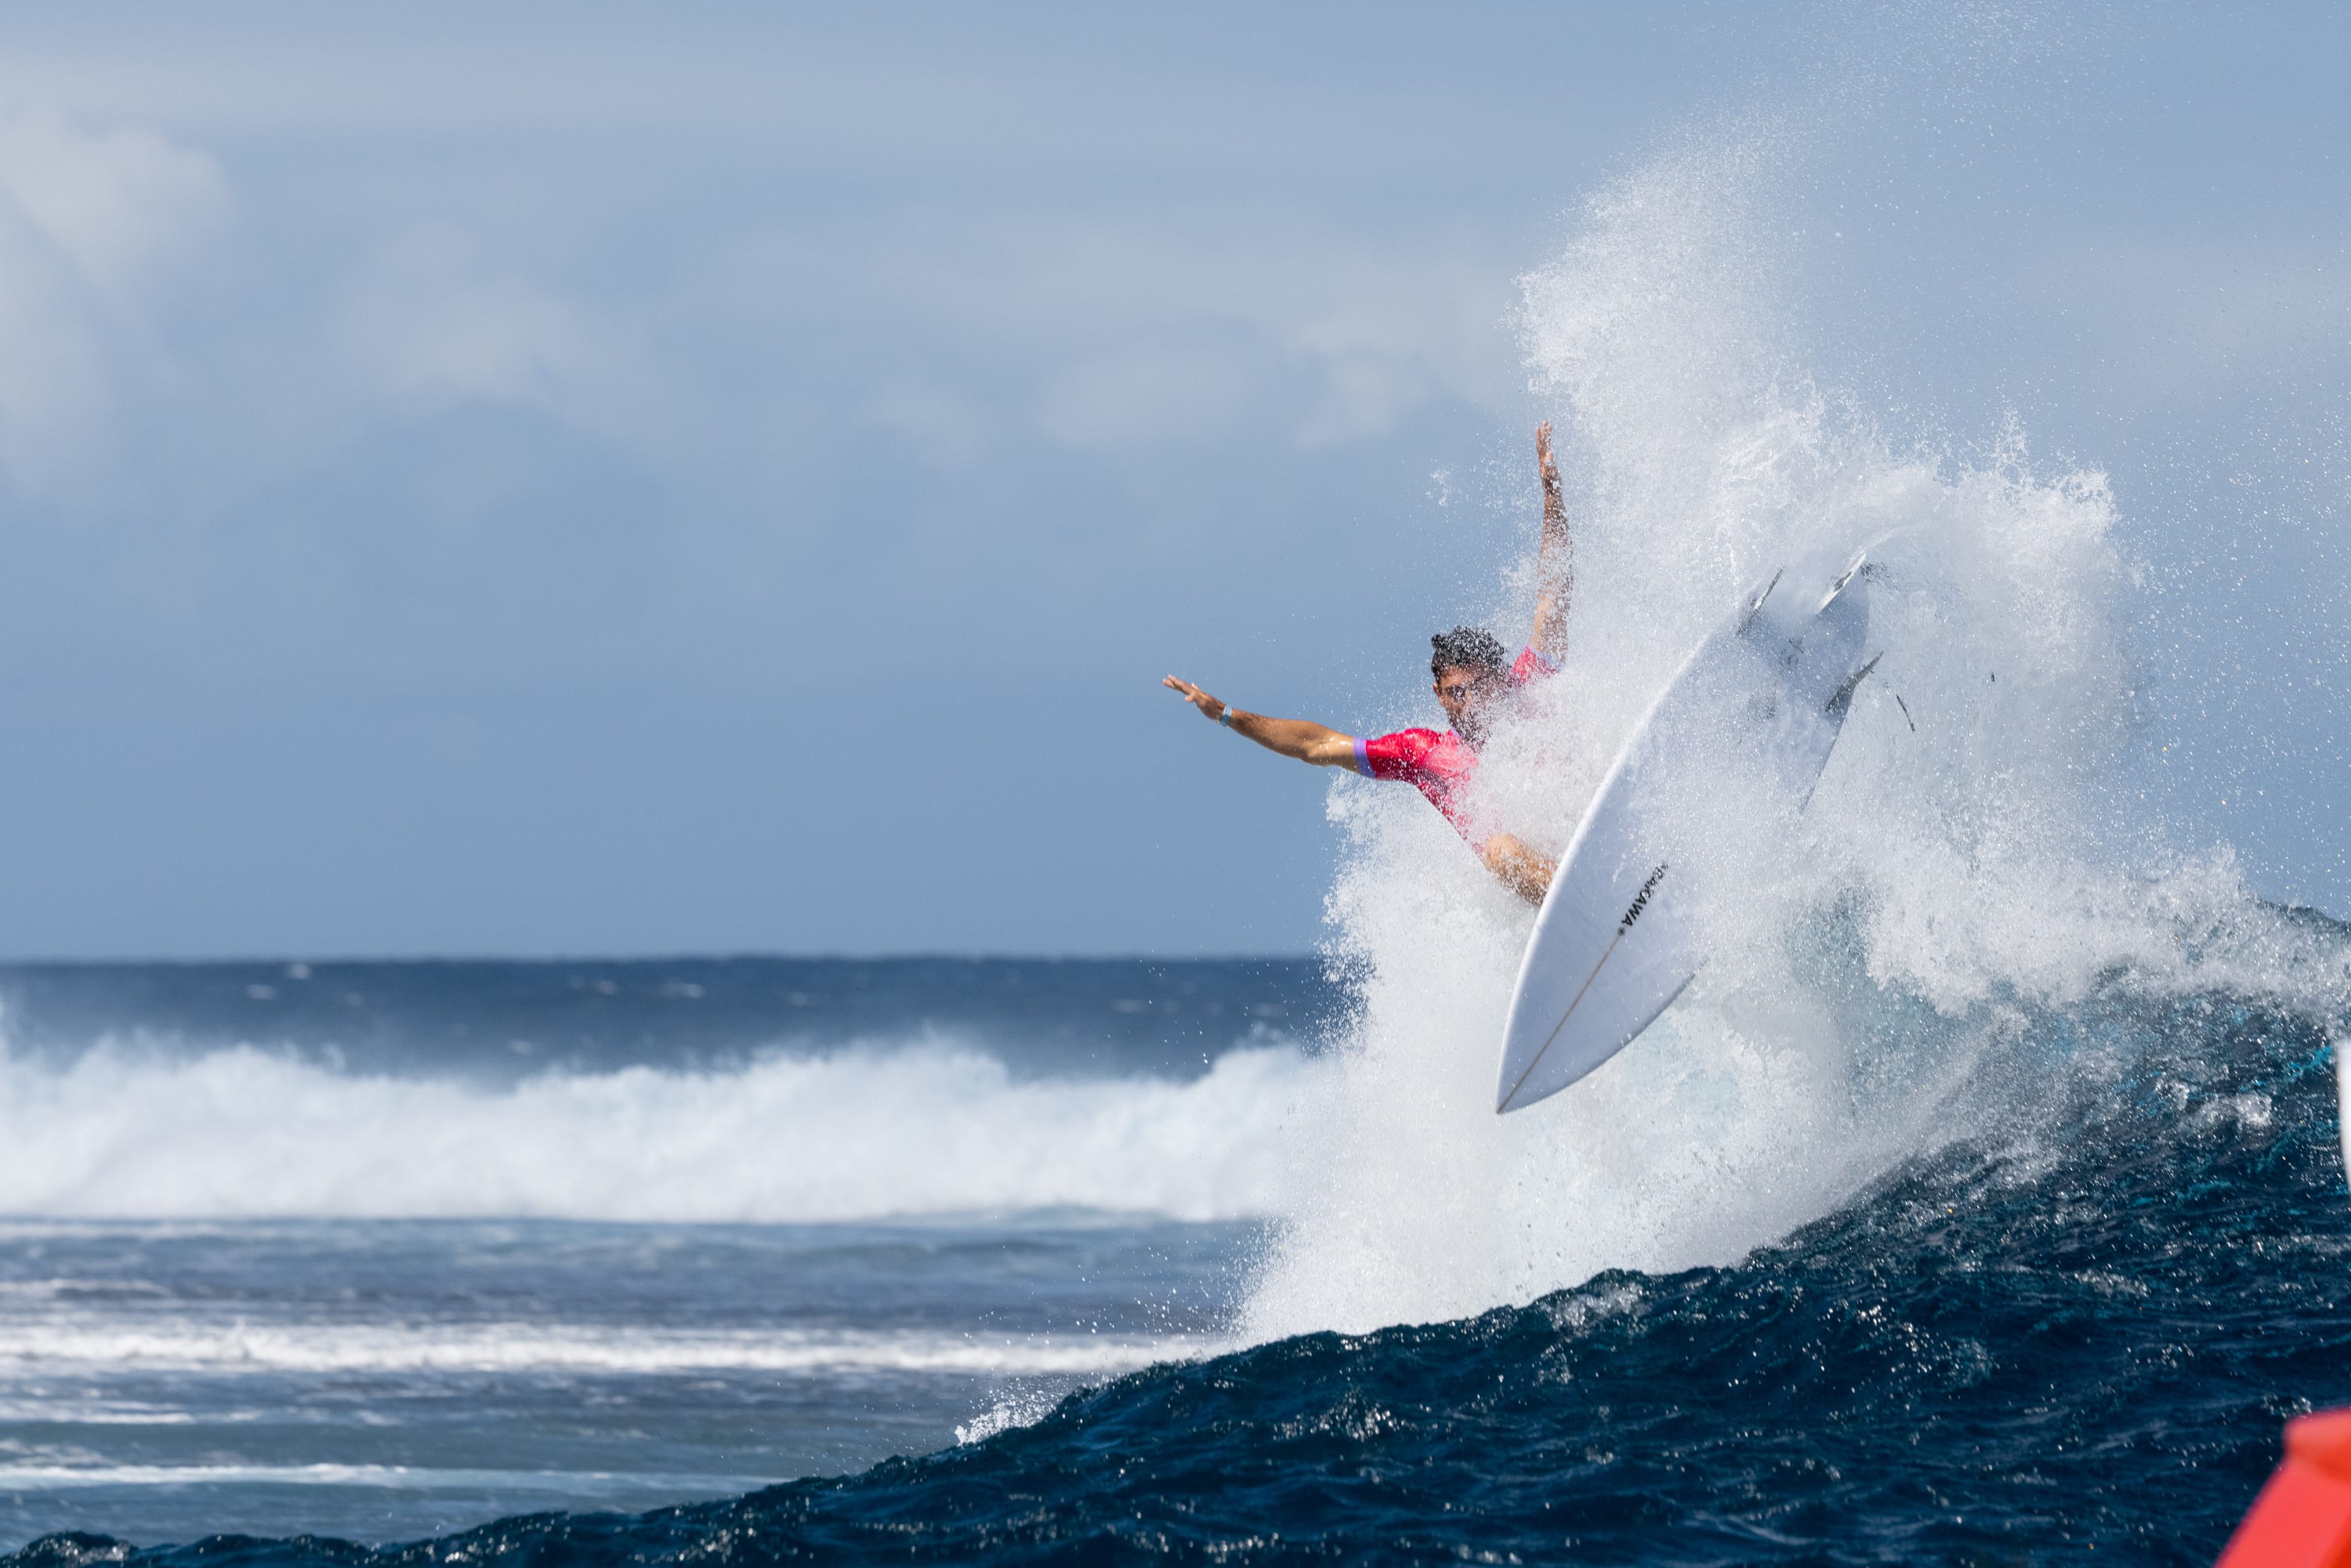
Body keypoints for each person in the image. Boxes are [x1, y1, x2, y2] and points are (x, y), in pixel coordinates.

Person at [1164, 422, 1574, 904]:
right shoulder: (1423, 754)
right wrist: (1228, 715)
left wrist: (1551, 492)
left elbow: (1554, 590)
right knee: (1501, 850)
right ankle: (1581, 908)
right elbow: (1315, 745)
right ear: (1438, 695)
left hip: (1581, 826)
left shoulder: (1530, 682)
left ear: (1498, 679)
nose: (1469, 703)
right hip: (1535, 885)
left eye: (1478, 688)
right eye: (1456, 693)